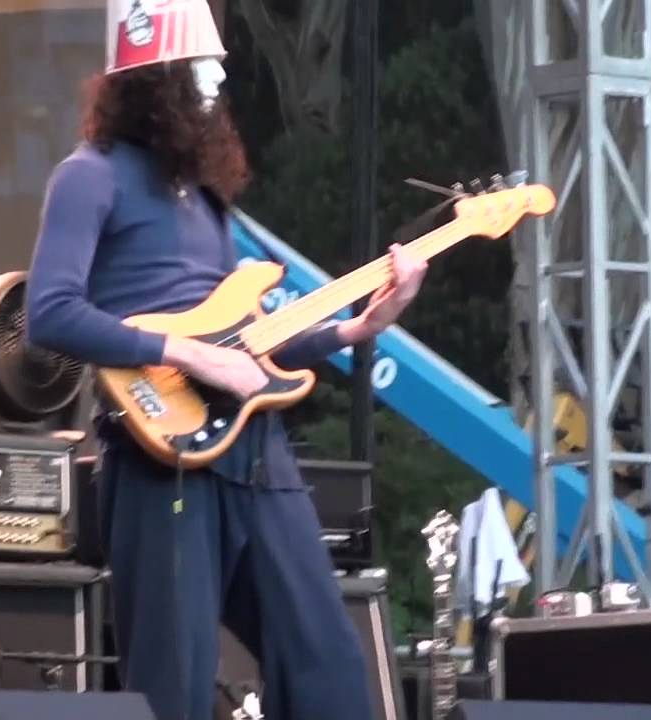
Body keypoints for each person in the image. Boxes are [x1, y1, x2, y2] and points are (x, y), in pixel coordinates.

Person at [24, 2, 427, 718]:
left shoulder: (209, 204)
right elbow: (51, 314)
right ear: (157, 80)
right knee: (173, 683)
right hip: (159, 455)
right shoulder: (88, 177)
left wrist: (355, 328)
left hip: (255, 451)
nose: (219, 76)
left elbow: (252, 336)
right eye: (201, 64)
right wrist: (189, 356)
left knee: (326, 662)